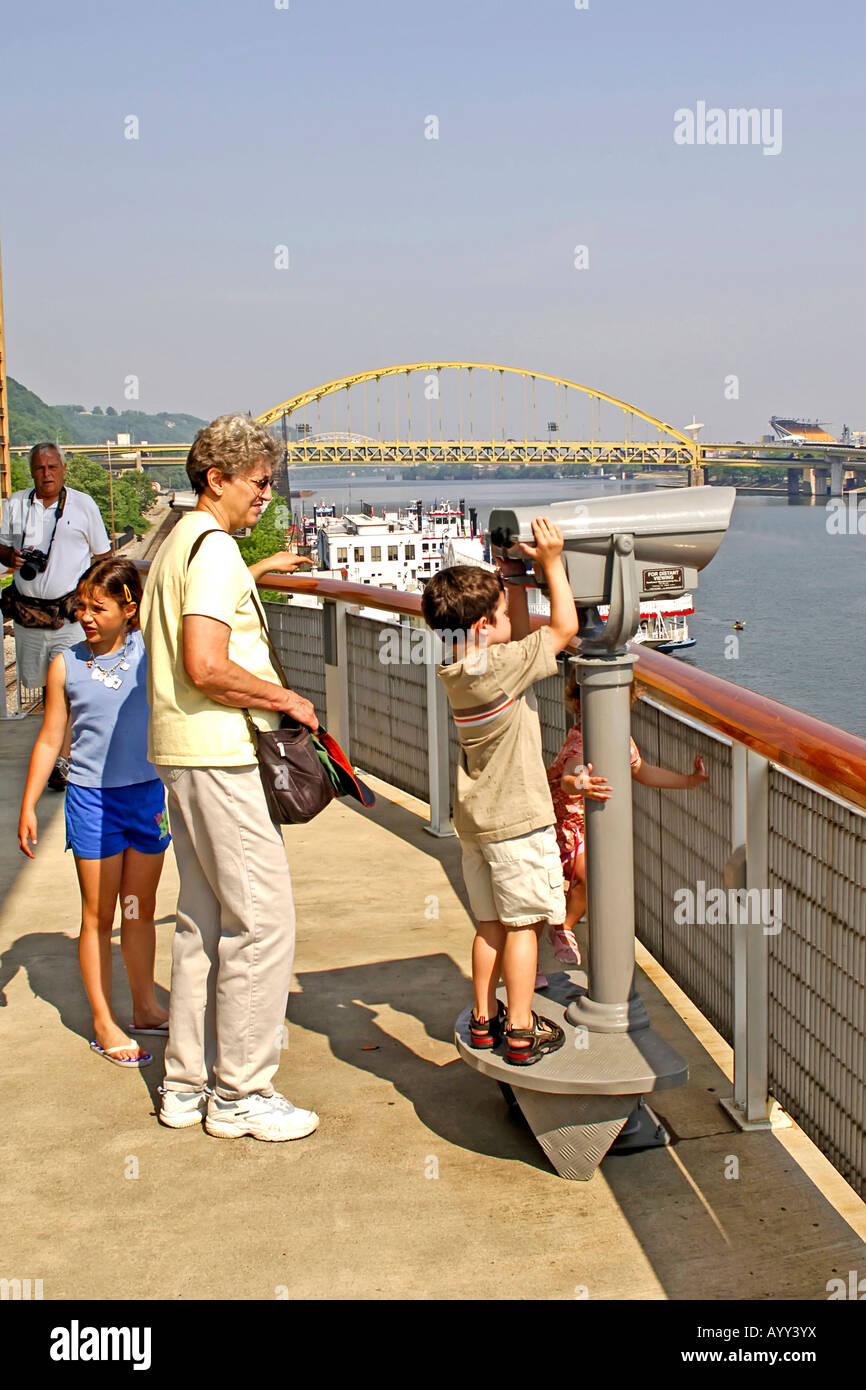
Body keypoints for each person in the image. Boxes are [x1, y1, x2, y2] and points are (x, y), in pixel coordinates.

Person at [140, 413, 319, 1140]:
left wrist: (262, 568)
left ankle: (185, 1085)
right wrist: (285, 698)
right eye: (259, 482)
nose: (267, 497)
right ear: (217, 479)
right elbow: (206, 664)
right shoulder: (212, 549)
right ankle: (241, 1093)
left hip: (179, 749)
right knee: (264, 921)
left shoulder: (182, 540)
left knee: (202, 922)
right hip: (220, 751)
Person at [421, 520, 579, 1066]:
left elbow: (513, 634)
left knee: (489, 925)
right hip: (518, 822)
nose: (513, 621)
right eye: (505, 615)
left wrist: (513, 578)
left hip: (476, 824)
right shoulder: (505, 666)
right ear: (486, 624)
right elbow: (563, 628)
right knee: (522, 928)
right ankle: (519, 1027)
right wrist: (553, 563)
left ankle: (484, 1017)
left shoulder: (459, 667)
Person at [17, 557, 170, 1067]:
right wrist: (30, 804)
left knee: (138, 909)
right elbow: (49, 739)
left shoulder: (152, 651)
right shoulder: (67, 664)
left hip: (147, 797)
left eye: (98, 608)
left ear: (130, 610)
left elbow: (193, 598)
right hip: (92, 800)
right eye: (82, 607)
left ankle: (145, 1006)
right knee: (99, 916)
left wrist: (259, 569)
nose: (86, 616)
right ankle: (105, 1021)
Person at [548, 667, 710, 934]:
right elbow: (570, 776)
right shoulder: (581, 740)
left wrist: (688, 781)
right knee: (590, 877)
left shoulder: (622, 740)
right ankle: (562, 930)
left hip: (586, 828)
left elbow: (642, 771)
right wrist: (581, 784)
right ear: (579, 704)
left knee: (592, 877)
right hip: (564, 829)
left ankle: (561, 930)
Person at [0, 443, 111, 788]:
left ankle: (62, 761)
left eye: (52, 467)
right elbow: (0, 546)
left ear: (63, 469)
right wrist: (11, 555)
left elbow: (103, 556)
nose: (46, 474)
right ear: (32, 471)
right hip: (30, 616)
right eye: (38, 468)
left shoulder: (82, 505)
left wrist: (94, 601)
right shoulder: (16, 503)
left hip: (69, 615)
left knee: (67, 689)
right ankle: (60, 755)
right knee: (46, 690)